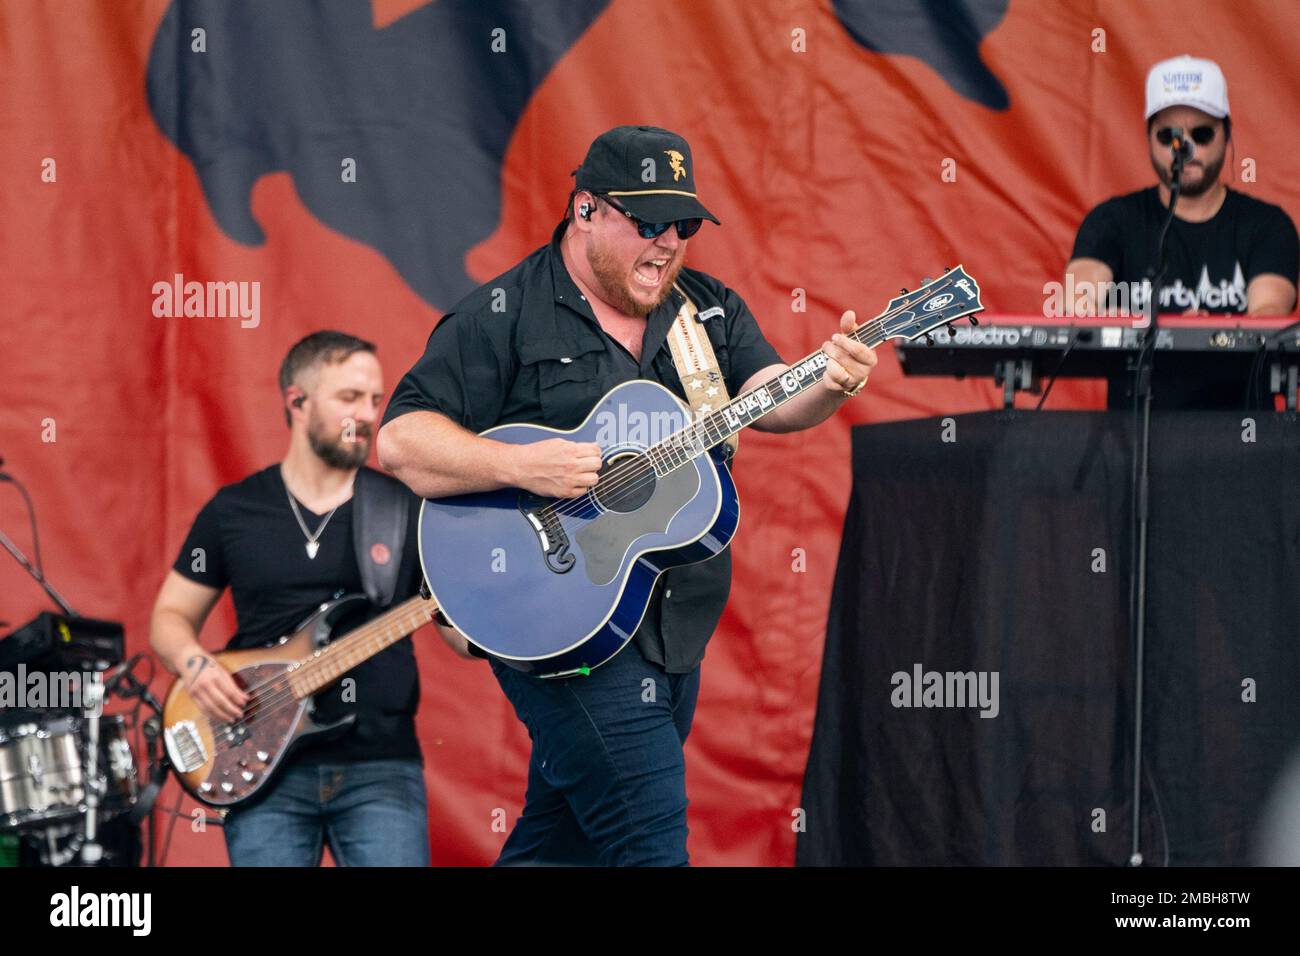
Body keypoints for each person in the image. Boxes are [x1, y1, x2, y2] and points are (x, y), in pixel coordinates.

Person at [377, 125, 876, 866]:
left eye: (683, 226)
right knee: (648, 839)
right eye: (647, 222)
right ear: (584, 211)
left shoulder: (704, 310)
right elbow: (400, 441)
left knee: (564, 842)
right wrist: (522, 468)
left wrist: (830, 384)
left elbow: (765, 397)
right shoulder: (505, 313)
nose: (669, 242)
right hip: (557, 622)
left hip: (673, 627)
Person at [149, 331, 437, 866]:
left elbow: (459, 638)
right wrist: (195, 666)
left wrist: (489, 612)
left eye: (375, 400)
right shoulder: (233, 510)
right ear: (297, 402)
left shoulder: (403, 508)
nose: (368, 414)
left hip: (381, 763)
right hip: (258, 759)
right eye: (349, 398)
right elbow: (169, 617)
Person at [1066, 54, 1298, 319]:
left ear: (1227, 135)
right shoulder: (1112, 219)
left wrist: (1208, 338)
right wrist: (1108, 321)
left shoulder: (1267, 224)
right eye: (1170, 137)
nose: (1185, 151)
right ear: (1149, 137)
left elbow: (1269, 315)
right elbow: (1077, 295)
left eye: (1201, 134)